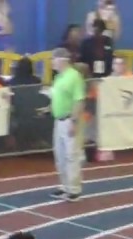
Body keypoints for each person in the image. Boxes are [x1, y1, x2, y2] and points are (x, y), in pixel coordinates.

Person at [46, 47, 85, 201]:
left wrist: (74, 121)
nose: (51, 62)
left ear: (62, 60)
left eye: (53, 59)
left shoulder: (74, 77)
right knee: (60, 155)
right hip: (59, 120)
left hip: (70, 120)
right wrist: (49, 108)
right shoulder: (59, 77)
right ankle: (65, 185)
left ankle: (74, 189)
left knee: (71, 155)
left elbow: (79, 100)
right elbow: (57, 97)